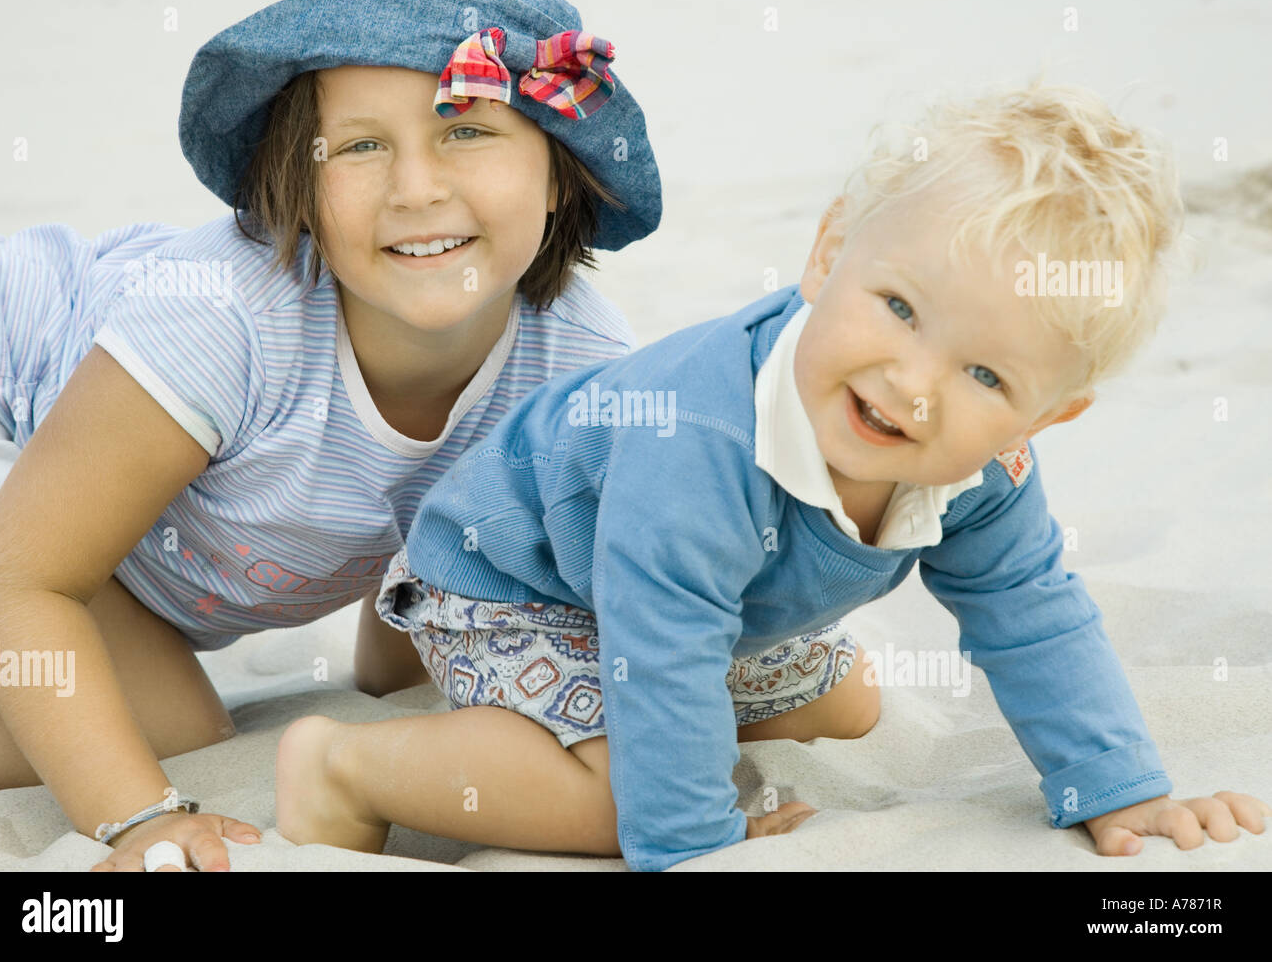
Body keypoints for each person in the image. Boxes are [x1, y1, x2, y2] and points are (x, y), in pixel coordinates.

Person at [274, 81, 1269, 871]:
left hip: (704, 601)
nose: (910, 383)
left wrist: (1117, 786)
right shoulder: (700, 437)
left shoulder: (990, 469)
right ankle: (347, 766)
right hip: (509, 585)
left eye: (983, 373)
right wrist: (693, 842)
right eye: (898, 307)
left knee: (849, 707)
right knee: (627, 798)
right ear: (829, 249)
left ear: (1045, 415)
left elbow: (1031, 608)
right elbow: (659, 644)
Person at [0, 0, 661, 872]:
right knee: (140, 739)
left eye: (466, 130)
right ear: (295, 181)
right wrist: (137, 820)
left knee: (173, 719)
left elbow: (431, 605)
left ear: (559, 169)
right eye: (363, 145)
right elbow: (18, 580)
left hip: (93, 561)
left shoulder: (573, 367)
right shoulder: (228, 319)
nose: (416, 188)